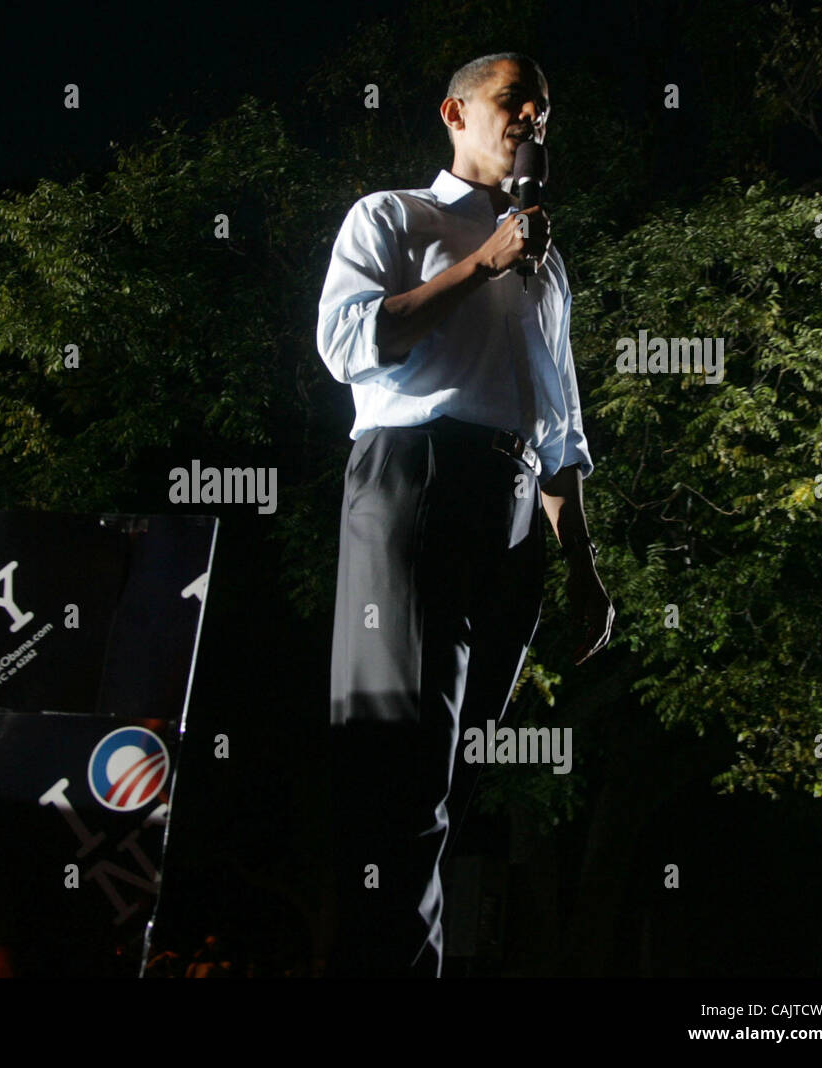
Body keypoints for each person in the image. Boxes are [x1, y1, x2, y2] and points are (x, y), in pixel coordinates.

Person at [317, 52, 614, 977]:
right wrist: (481, 262)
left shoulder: (548, 263)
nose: (532, 116)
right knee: (399, 778)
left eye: (544, 106)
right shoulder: (394, 216)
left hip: (517, 510)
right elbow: (347, 343)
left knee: (454, 780)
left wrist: (582, 568)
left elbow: (560, 424)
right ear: (455, 110)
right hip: (417, 481)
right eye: (512, 100)